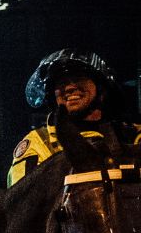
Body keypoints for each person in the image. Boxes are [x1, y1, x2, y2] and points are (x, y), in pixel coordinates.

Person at [9, 50, 138, 185]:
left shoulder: (133, 136)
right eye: (61, 82)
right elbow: (22, 202)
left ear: (101, 88)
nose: (69, 87)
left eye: (78, 78)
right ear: (51, 95)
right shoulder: (38, 144)